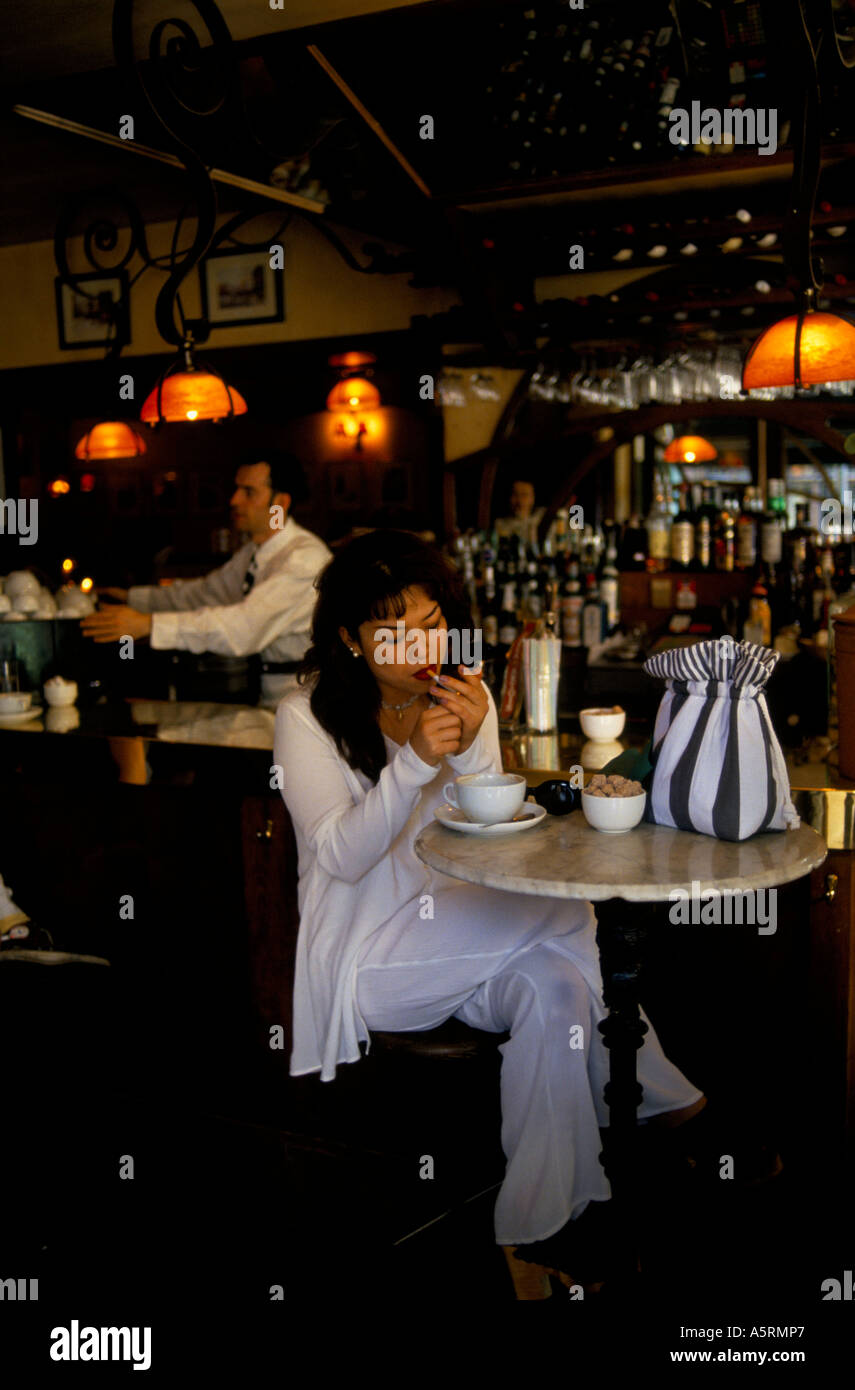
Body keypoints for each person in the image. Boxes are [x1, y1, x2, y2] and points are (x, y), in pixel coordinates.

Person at [273, 529, 708, 1287]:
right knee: (564, 910)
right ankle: (667, 1101)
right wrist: (412, 765)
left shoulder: (455, 694)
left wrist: (476, 744)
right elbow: (340, 854)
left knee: (560, 989)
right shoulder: (304, 715)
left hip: (466, 938)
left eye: (432, 621)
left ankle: (544, 1227)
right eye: (391, 629)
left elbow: (489, 835)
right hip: (369, 963)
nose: (419, 644)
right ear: (348, 639)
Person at [82, 452, 331, 708]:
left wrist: (150, 625)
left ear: (280, 503)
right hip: (268, 698)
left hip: (307, 702)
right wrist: (133, 597)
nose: (234, 500)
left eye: (248, 492)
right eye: (236, 490)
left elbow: (243, 628)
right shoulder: (254, 553)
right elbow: (203, 593)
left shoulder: (303, 559)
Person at [494, 477, 545, 546]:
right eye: (515, 495)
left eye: (524, 495)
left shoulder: (542, 517)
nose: (519, 501)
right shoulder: (500, 525)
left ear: (532, 498)